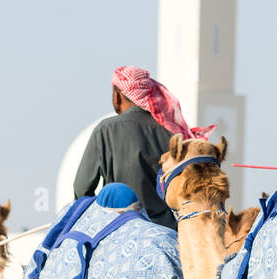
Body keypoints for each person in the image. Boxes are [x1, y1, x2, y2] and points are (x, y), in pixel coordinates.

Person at [72, 66, 214, 229]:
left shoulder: (106, 129)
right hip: (167, 231)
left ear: (117, 95)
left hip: (119, 228)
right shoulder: (171, 134)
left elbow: (81, 188)